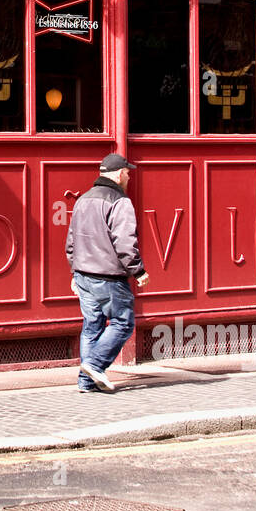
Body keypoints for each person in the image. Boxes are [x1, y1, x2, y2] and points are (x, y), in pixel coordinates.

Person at [65, 153, 149, 393]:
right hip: (108, 277)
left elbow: (71, 242)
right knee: (123, 323)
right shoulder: (120, 201)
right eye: (128, 172)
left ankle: (86, 382)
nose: (130, 177)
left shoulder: (83, 200)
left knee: (92, 325)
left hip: (83, 275)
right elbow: (124, 242)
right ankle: (95, 365)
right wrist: (138, 270)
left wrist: (74, 271)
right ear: (119, 173)